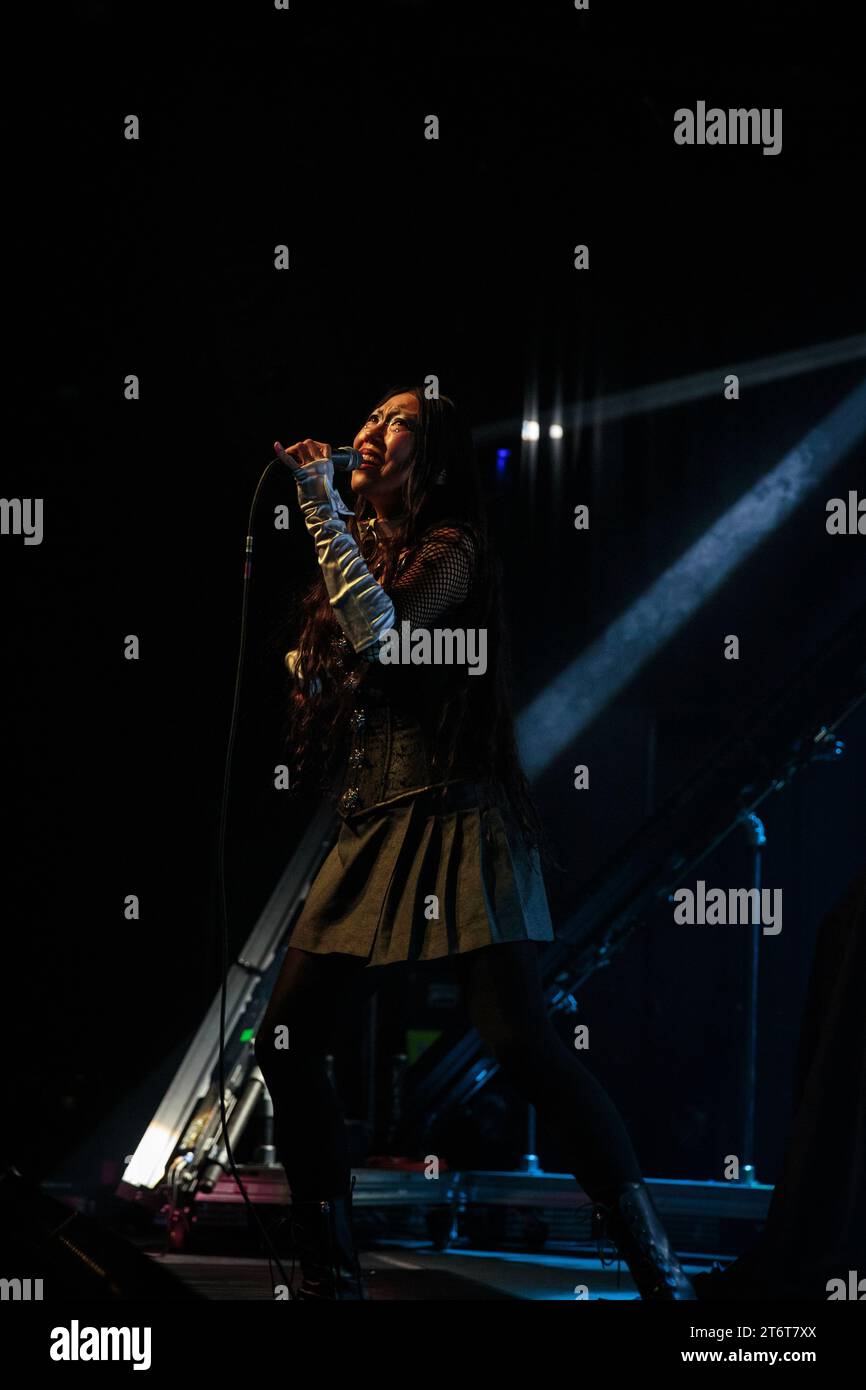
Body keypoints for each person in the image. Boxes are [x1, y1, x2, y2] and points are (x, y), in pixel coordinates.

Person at [254, 385, 696, 1301]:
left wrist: (319, 509)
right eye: (371, 417)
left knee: (521, 1043)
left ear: (435, 457)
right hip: (371, 822)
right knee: (286, 1041)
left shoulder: (454, 549)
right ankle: (332, 1278)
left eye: (398, 423)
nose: (371, 431)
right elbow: (337, 665)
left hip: (455, 815)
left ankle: (661, 1274)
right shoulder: (362, 549)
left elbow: (386, 637)